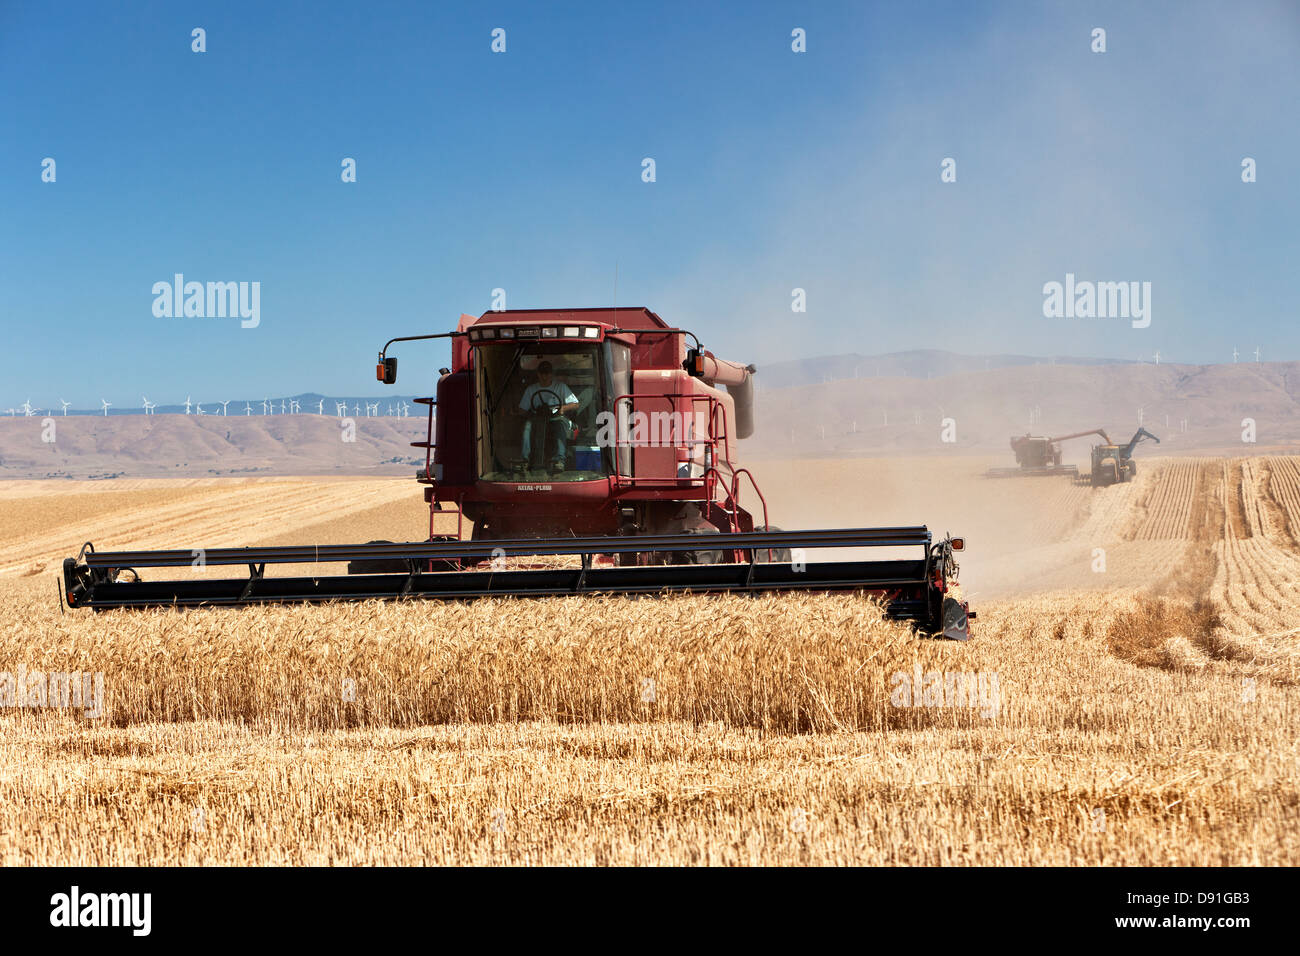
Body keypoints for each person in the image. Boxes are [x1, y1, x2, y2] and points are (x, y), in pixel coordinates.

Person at [516, 360, 579, 471]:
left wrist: (563, 408)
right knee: (527, 426)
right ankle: (525, 459)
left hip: (556, 417)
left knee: (559, 425)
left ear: (551, 374)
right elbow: (522, 409)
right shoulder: (531, 389)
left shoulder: (560, 387)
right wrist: (528, 412)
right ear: (538, 374)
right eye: (542, 373)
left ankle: (560, 460)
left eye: (547, 373)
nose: (545, 376)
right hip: (537, 418)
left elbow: (575, 404)